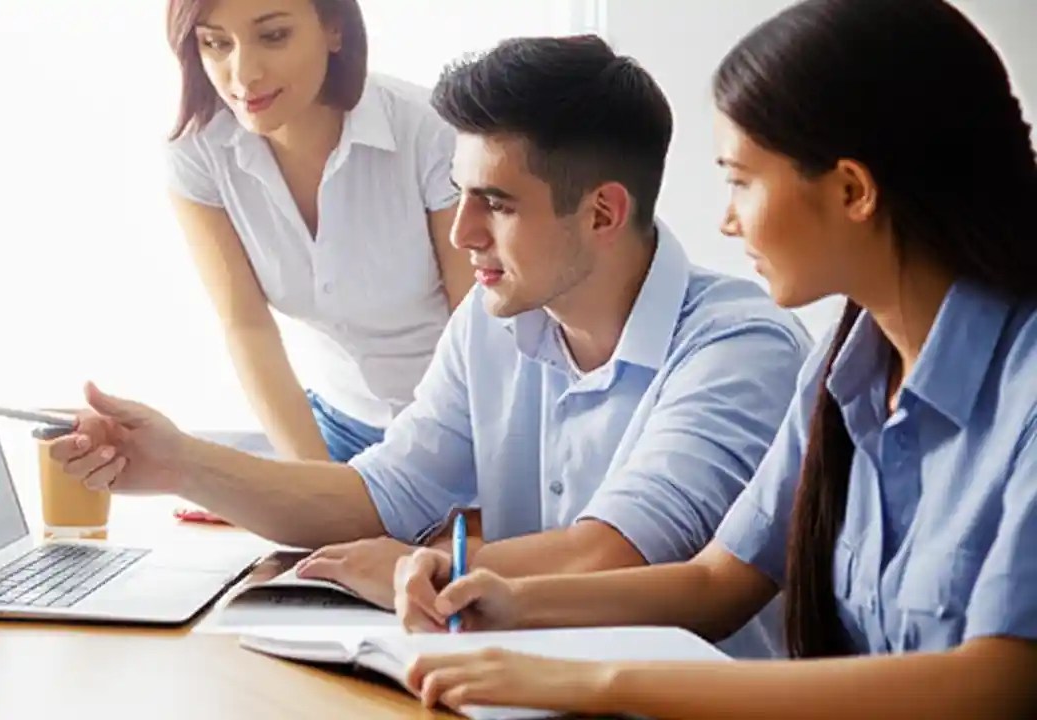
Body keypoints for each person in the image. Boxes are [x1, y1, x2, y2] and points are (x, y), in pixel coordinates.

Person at [54, 35, 809, 657]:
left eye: (496, 203)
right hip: (520, 685)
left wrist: (424, 568)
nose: (462, 232)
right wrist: (179, 463)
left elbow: (613, 554)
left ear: (603, 213)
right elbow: (375, 497)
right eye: (460, 192)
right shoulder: (492, 321)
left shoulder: (741, 348)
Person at [393, 1, 1037, 716]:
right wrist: (512, 601)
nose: (727, 220)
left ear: (852, 190)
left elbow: (1000, 681)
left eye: (740, 180)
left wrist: (594, 680)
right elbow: (716, 583)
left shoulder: (1025, 390)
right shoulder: (845, 369)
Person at [165, 0, 474, 462]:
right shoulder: (198, 153)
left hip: (461, 426)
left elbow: (481, 328)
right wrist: (312, 481)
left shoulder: (430, 134)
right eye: (216, 43)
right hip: (336, 426)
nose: (243, 75)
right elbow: (246, 327)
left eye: (273, 36)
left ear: (334, 29)